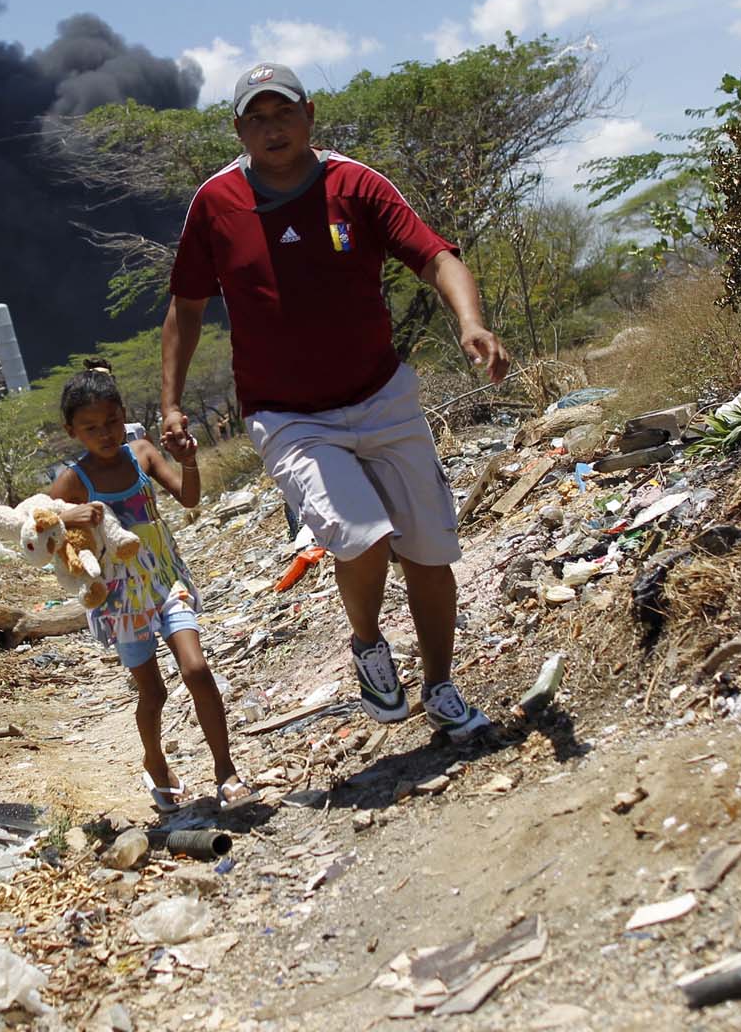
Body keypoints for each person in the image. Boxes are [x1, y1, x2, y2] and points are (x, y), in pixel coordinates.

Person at [160, 62, 511, 741]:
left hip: (383, 396)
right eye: (256, 118)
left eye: (282, 112)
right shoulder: (217, 202)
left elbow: (436, 256)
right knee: (357, 533)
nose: (272, 128)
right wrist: (172, 402)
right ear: (238, 129)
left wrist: (470, 321)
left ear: (310, 114)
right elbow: (187, 305)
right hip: (287, 414)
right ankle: (368, 643)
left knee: (431, 556)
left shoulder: (355, 183)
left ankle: (440, 688)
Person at [50, 362, 251, 809]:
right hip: (121, 599)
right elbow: (36, 522)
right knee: (154, 692)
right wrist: (69, 515)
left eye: (111, 422)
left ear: (124, 415)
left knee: (196, 670)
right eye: (91, 428)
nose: (105, 434)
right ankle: (155, 762)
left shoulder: (141, 454)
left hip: (164, 579)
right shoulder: (73, 480)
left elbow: (190, 498)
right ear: (72, 431)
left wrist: (190, 461)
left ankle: (226, 771)